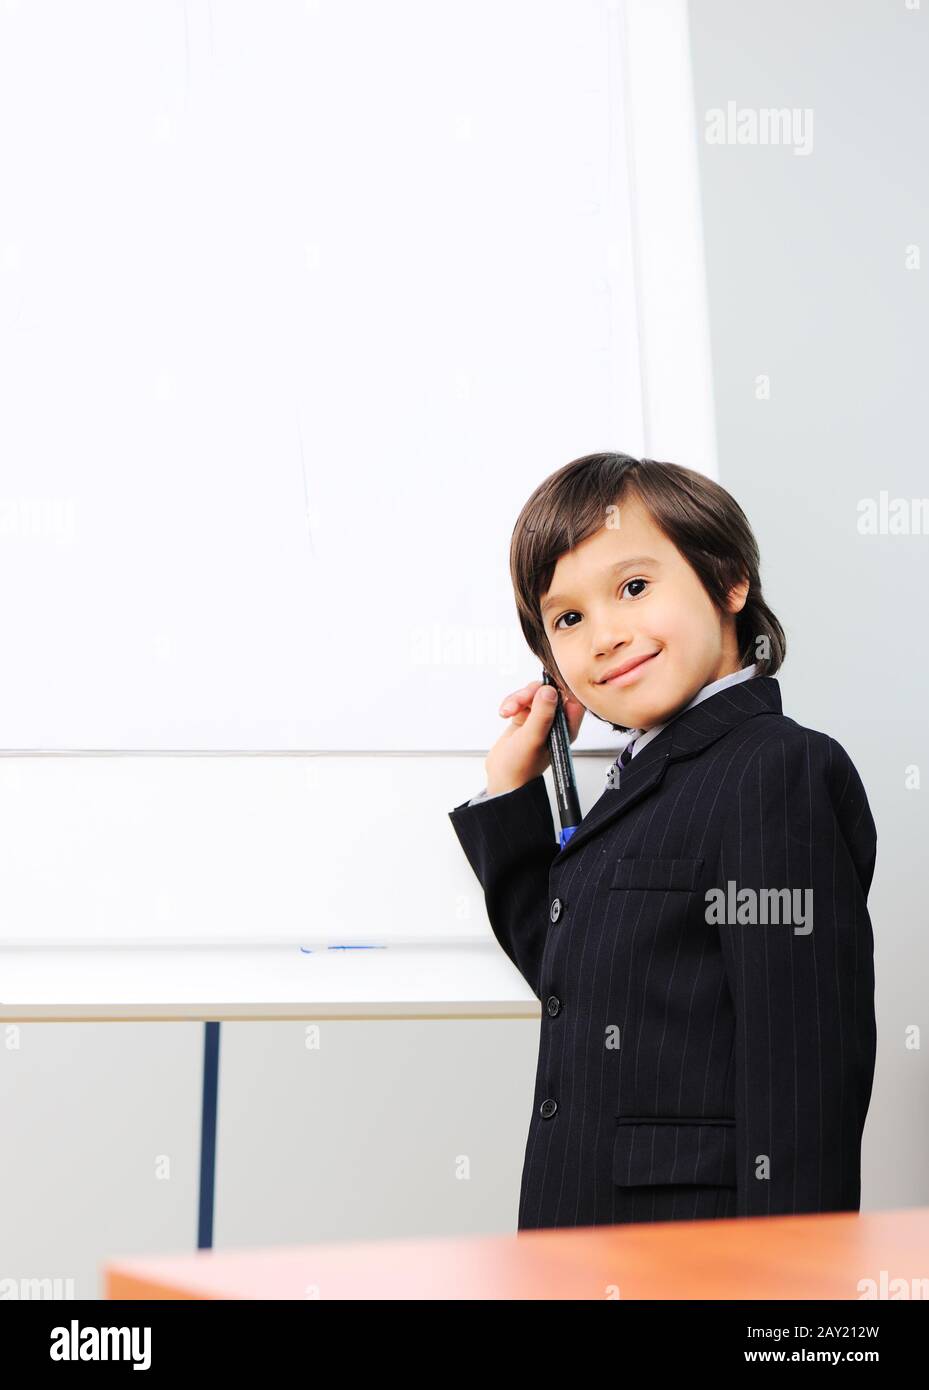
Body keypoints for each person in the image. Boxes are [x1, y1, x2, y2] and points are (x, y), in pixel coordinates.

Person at [448, 452, 877, 1232]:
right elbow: (565, 970)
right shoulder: (641, 782)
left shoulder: (771, 769)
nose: (603, 637)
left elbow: (801, 1064)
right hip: (580, 1233)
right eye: (567, 619)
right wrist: (514, 791)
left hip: (694, 1250)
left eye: (633, 588)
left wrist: (789, 1315)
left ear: (725, 578)